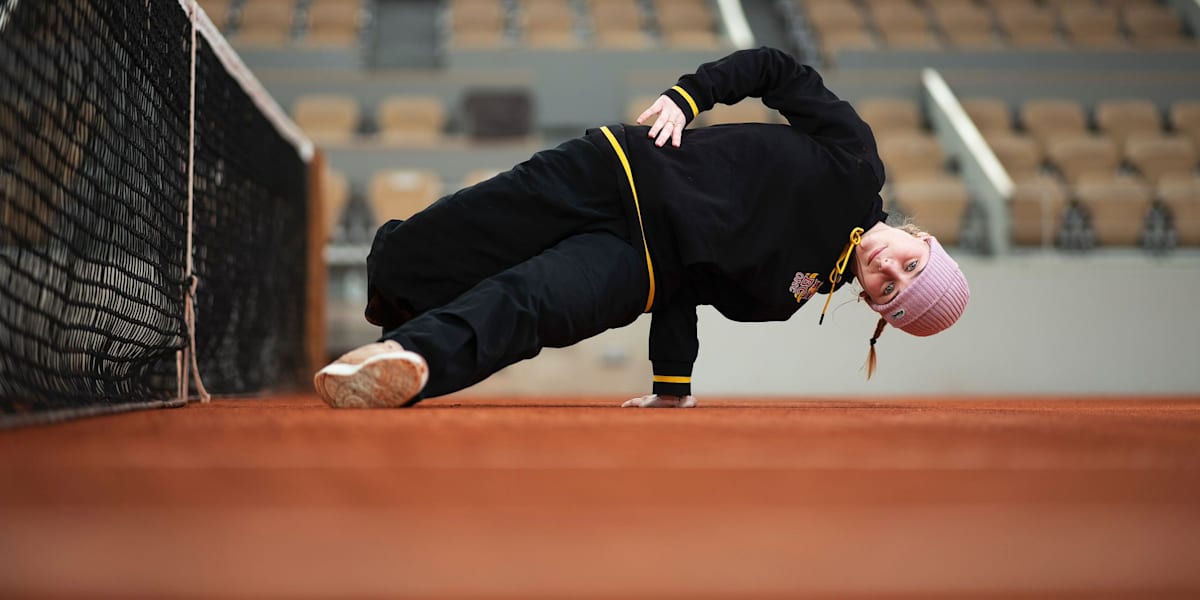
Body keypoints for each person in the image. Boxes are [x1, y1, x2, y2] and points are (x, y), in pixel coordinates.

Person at [313, 46, 969, 410]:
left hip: (641, 267)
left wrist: (672, 387)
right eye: (911, 265)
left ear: (876, 308)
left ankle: (413, 363)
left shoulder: (786, 297)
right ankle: (392, 323)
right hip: (616, 170)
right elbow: (778, 71)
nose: (890, 272)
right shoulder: (857, 164)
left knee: (534, 304)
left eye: (892, 292)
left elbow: (690, 291)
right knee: (429, 251)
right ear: (924, 239)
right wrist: (690, 96)